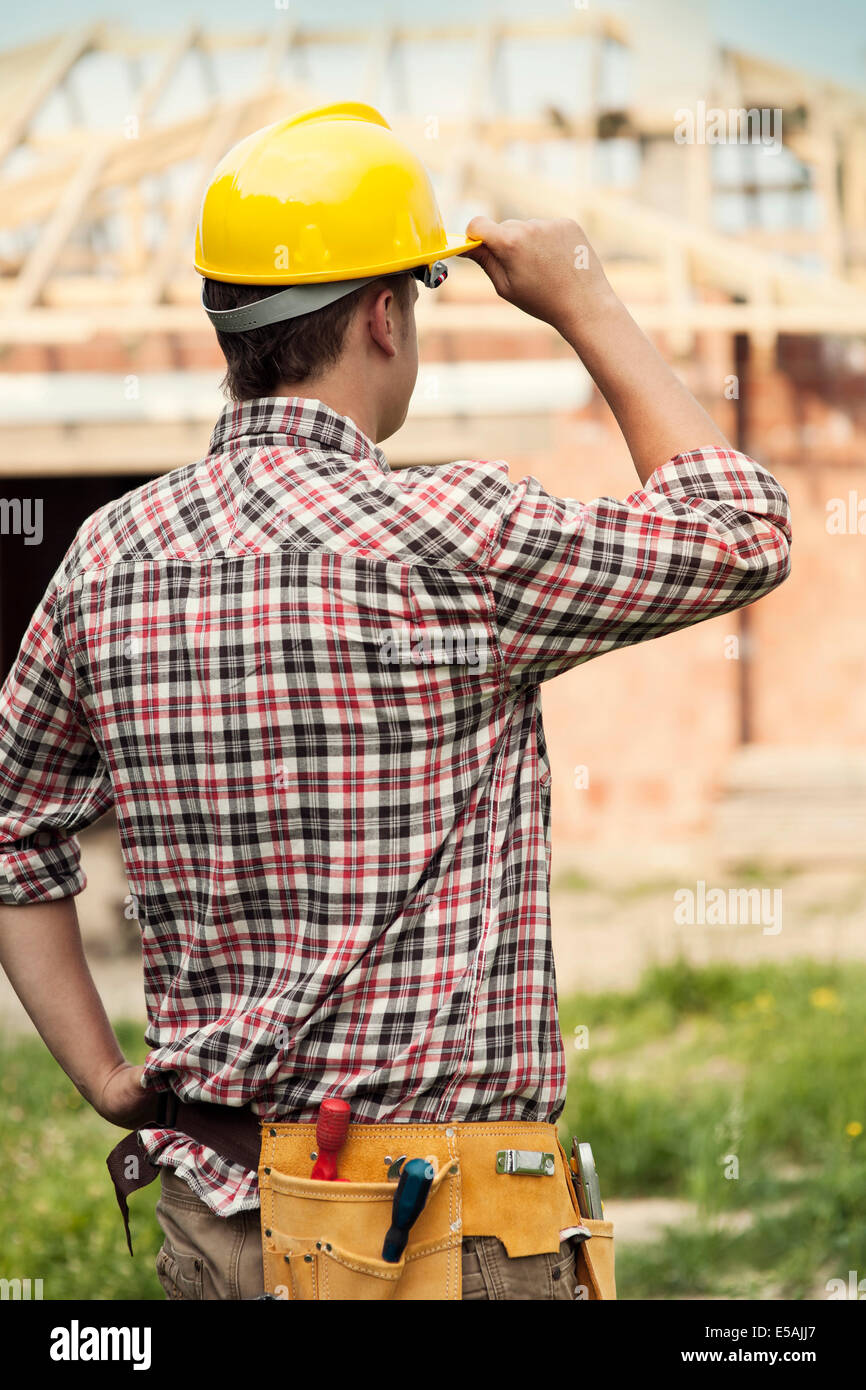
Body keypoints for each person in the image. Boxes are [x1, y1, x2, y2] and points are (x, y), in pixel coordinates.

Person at [0, 104, 791, 1301]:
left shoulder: (105, 559)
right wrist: (585, 299)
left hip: (217, 1226)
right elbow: (741, 528)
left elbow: (13, 829)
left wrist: (107, 1077)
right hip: (442, 1238)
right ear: (384, 314)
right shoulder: (455, 535)